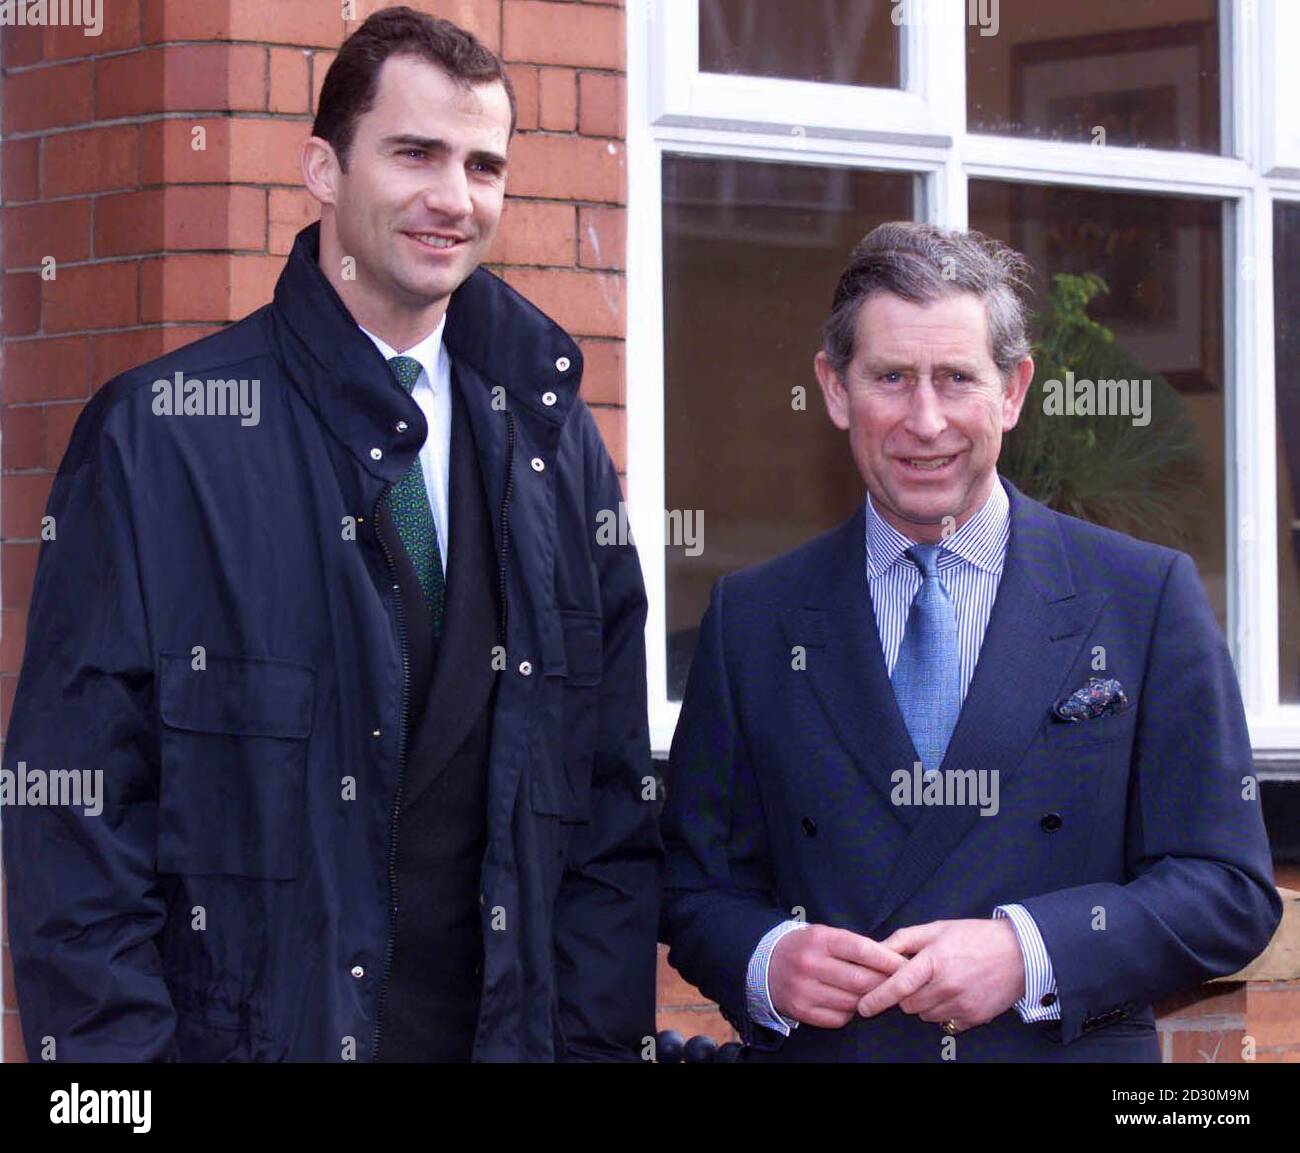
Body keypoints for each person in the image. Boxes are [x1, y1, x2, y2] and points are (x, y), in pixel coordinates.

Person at [3, 6, 660, 1062]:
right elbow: (75, 814)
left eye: (483, 165)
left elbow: (610, 808)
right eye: (414, 153)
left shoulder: (553, 442)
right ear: (322, 169)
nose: (454, 198)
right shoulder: (163, 438)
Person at [659, 221, 1281, 1062]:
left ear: (1013, 390)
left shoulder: (1143, 597)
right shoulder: (753, 619)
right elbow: (695, 887)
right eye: (890, 377)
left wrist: (1029, 952)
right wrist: (769, 960)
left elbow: (1230, 889)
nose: (925, 420)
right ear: (835, 389)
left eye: (956, 378)